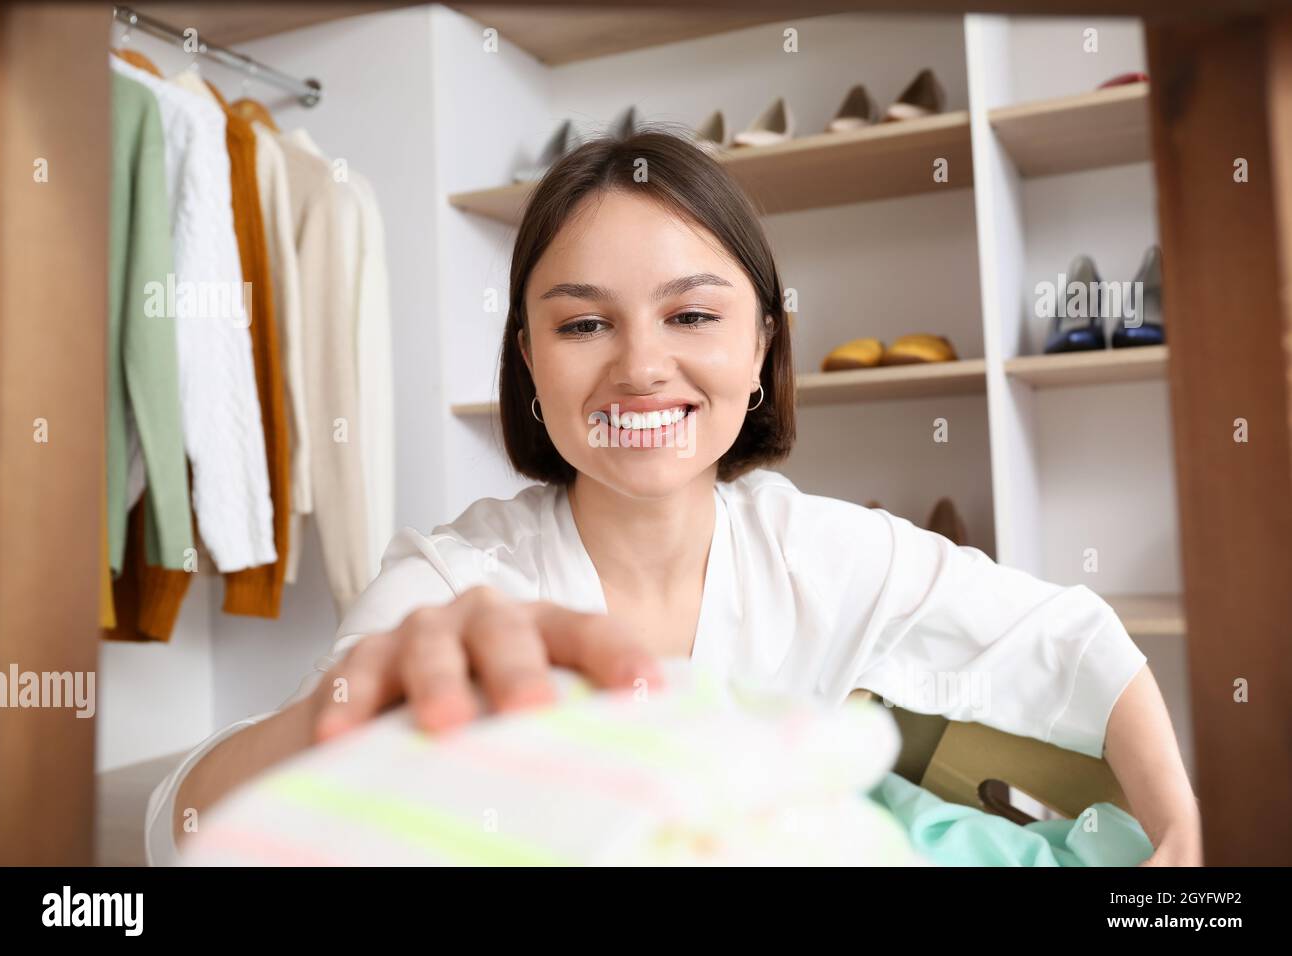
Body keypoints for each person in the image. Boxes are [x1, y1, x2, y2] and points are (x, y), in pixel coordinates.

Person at [146, 127, 1202, 867]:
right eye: (582, 323)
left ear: (760, 346)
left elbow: (1075, 637)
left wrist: (1179, 833)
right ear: (528, 361)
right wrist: (341, 713)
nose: (641, 366)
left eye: (691, 315)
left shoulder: (820, 550)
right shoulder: (454, 580)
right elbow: (187, 821)